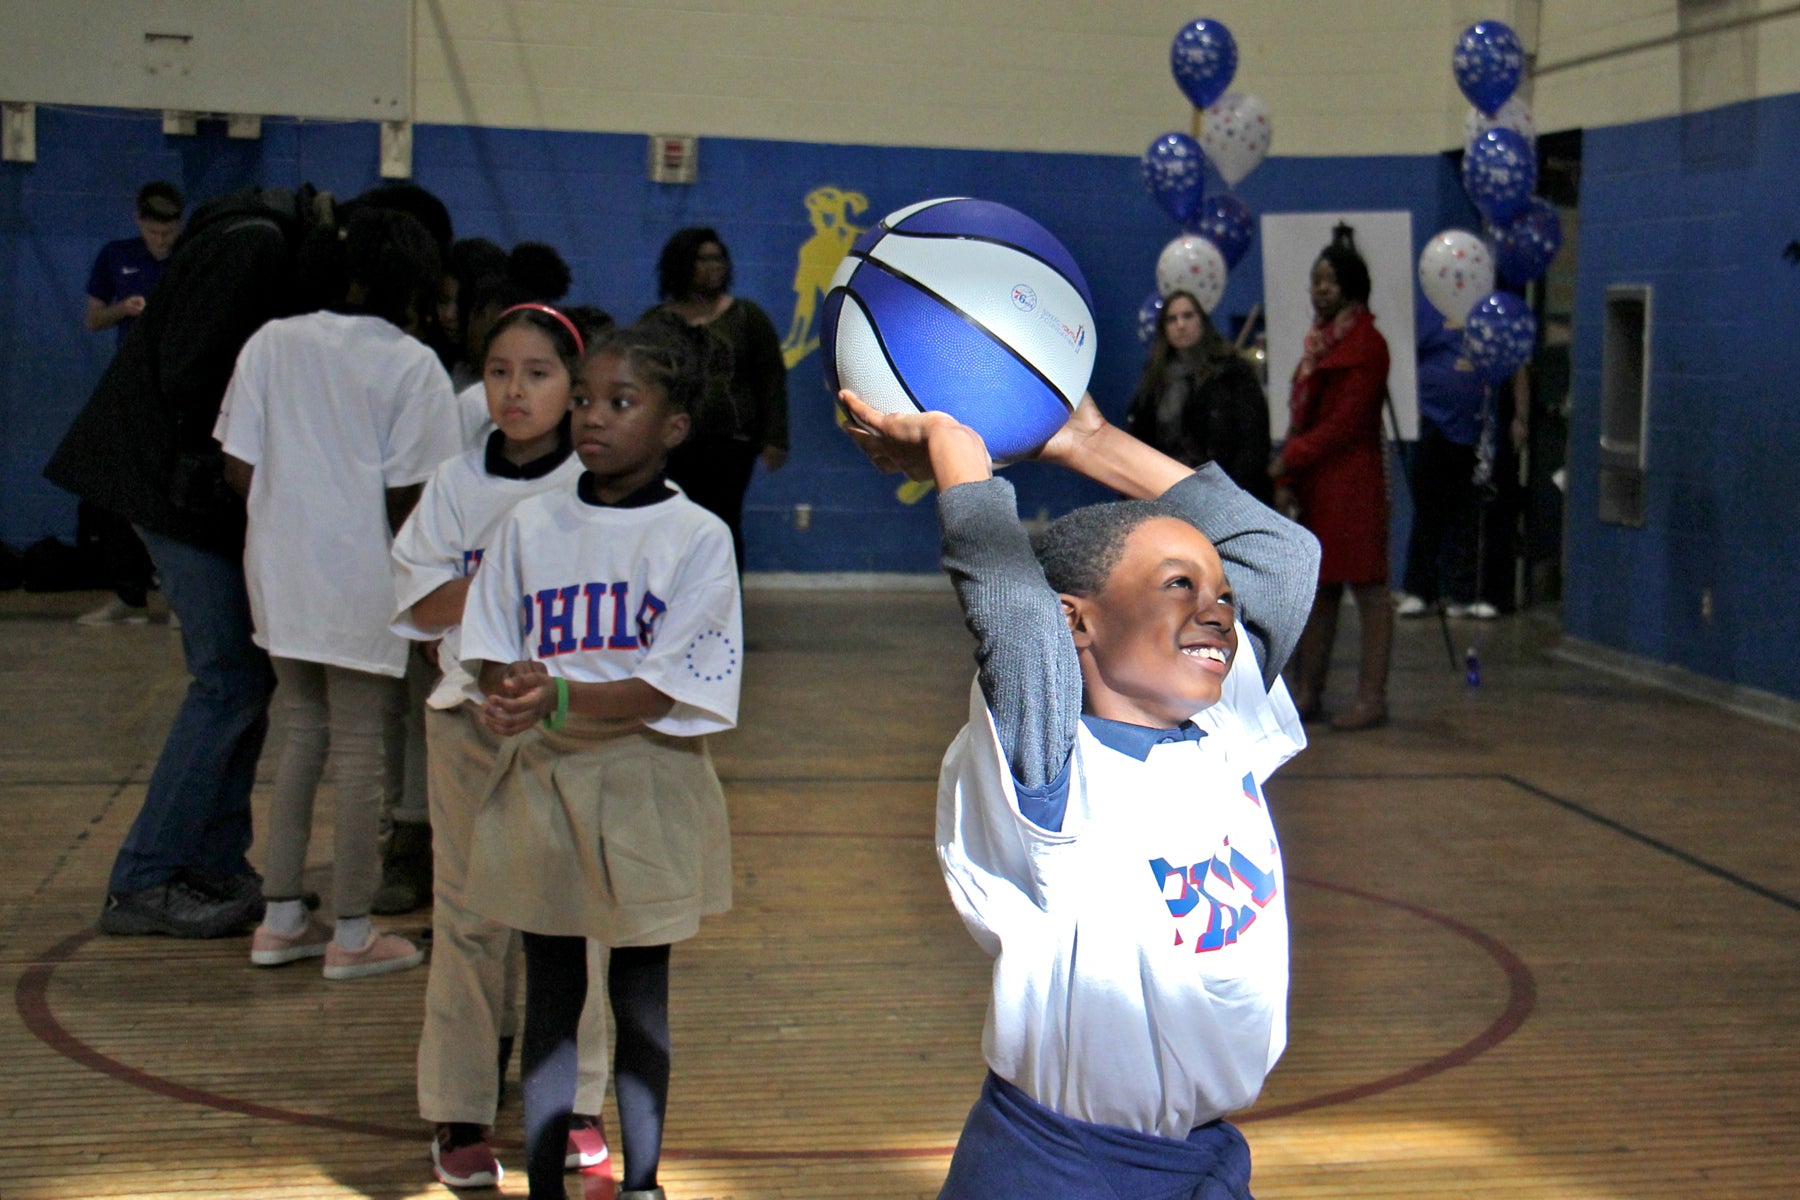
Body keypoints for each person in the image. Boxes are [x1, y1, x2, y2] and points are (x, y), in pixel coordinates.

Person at [838, 386, 1317, 1199]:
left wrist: (1086, 441)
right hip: (1059, 1167)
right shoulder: (1056, 763)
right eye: (1178, 585)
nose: (1217, 610)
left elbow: (1282, 551)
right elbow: (1014, 616)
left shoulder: (1220, 729)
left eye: (1223, 595)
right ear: (1079, 622)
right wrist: (954, 447)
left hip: (1202, 1160)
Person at [458, 321, 740, 1200]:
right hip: (543, 773)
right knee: (549, 994)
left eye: (622, 403)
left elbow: (663, 689)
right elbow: (492, 642)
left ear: (674, 427)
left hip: (647, 776)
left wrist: (561, 695)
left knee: (639, 996)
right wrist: (503, 685)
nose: (593, 418)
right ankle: (545, 1184)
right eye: (584, 399)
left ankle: (645, 1181)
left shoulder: (696, 537)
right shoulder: (528, 521)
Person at [48, 183, 339, 938]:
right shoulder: (258, 246)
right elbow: (190, 373)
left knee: (241, 676)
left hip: (168, 486)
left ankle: (209, 862)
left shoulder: (250, 237)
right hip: (167, 490)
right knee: (227, 680)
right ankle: (145, 877)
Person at [392, 303, 616, 1188]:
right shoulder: (452, 483)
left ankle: (582, 1101)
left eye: (537, 374)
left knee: (580, 915)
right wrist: (509, 593)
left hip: (570, 724)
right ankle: (457, 1111)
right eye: (497, 372)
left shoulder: (599, 486)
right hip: (467, 724)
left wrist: (480, 585)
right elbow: (419, 604)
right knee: (470, 914)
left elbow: (609, 608)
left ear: (573, 389)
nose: (514, 391)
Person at [218, 206, 461, 980]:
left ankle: (282, 917)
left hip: (279, 573)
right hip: (363, 578)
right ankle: (352, 935)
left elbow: (239, 468)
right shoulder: (411, 363)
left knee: (300, 735)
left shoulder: (271, 341)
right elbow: (415, 497)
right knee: (362, 750)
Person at [1273, 224, 1394, 731]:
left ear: (1352, 285)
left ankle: (1371, 698)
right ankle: (1308, 691)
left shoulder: (1367, 343)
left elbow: (1345, 424)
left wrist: (1290, 456)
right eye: (1314, 280)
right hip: (1318, 484)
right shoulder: (1320, 343)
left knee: (1368, 591)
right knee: (1319, 589)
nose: (1319, 289)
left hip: (1354, 484)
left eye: (1328, 280)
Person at [643, 226, 789, 571]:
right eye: (703, 259)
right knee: (670, 521)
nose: (714, 266)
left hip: (731, 442)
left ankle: (723, 600)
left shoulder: (747, 317)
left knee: (722, 521)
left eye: (719, 258)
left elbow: (771, 379)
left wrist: (776, 438)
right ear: (681, 265)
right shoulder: (655, 323)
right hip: (670, 444)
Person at [74, 181, 185, 627]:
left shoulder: (190, 257)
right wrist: (124, 309)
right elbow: (93, 319)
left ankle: (179, 597)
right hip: (129, 392)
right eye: (155, 233)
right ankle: (128, 595)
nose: (162, 242)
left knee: (174, 499)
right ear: (140, 222)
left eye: (169, 233)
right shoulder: (115, 256)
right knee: (120, 497)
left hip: (175, 394)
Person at [1394, 305, 1496, 619]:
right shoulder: (1431, 315)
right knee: (1428, 512)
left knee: (1467, 514)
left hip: (1473, 429)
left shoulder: (1485, 318)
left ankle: (1462, 594)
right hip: (1433, 425)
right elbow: (1407, 356)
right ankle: (1419, 590)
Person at [1126, 289, 1273, 504]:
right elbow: (1141, 442)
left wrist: (1233, 496)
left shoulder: (1232, 372)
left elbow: (1254, 440)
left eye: (1188, 316)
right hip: (1170, 494)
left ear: (1202, 321)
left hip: (1228, 492)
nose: (1180, 325)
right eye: (1172, 319)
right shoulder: (1154, 380)